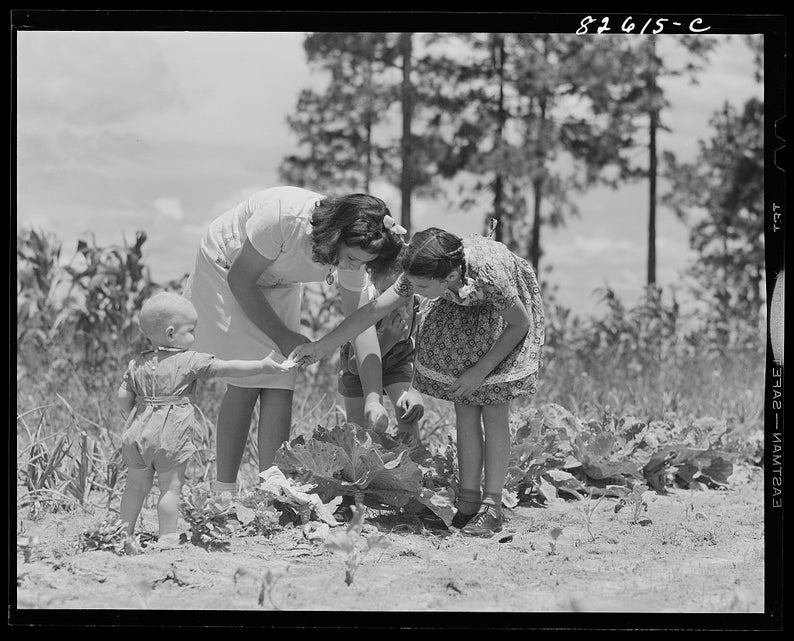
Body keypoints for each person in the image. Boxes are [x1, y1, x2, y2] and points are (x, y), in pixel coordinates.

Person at [290, 227, 545, 537]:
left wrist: (480, 370)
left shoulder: (490, 276)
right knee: (464, 407)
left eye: (422, 286)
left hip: (501, 325)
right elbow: (370, 312)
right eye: (412, 284)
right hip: (461, 316)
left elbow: (520, 323)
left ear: (449, 277)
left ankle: (492, 507)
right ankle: (467, 503)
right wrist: (321, 346)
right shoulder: (422, 275)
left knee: (492, 409)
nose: (416, 292)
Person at [183, 186, 405, 497]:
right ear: (334, 236)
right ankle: (224, 492)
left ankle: (272, 488)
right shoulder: (283, 218)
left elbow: (360, 322)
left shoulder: (355, 253)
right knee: (248, 378)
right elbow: (240, 280)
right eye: (352, 259)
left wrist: (372, 396)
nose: (355, 268)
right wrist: (284, 336)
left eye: (363, 263)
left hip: (278, 280)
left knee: (282, 378)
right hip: (227, 269)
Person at [116, 292, 295, 547]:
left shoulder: (138, 363)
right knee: (169, 488)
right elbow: (226, 368)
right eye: (191, 330)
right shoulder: (189, 361)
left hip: (137, 435)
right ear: (170, 334)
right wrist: (262, 366)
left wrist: (132, 414)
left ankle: (123, 533)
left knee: (134, 487)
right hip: (170, 437)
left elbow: (123, 397)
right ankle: (166, 536)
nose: (195, 336)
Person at [338, 247, 426, 443]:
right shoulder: (367, 306)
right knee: (359, 424)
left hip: (399, 358)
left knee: (408, 410)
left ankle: (413, 462)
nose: (398, 298)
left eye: (406, 290)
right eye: (387, 291)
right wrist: (387, 338)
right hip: (359, 364)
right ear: (373, 281)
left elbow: (421, 349)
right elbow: (354, 366)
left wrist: (414, 389)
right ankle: (360, 469)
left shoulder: (417, 305)